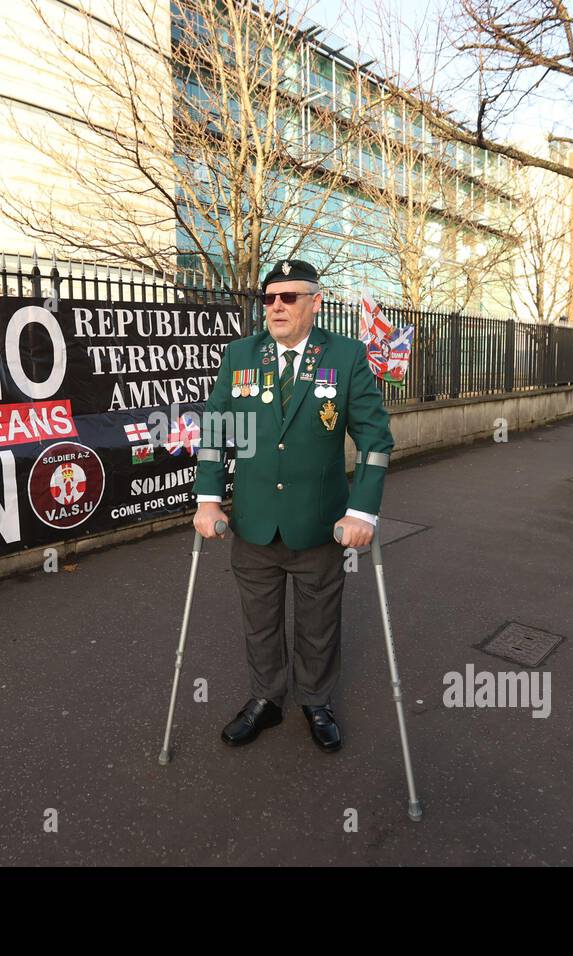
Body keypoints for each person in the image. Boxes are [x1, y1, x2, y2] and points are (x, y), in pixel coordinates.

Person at [192, 259, 394, 753]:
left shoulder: (345, 356)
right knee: (259, 622)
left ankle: (316, 700)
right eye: (269, 298)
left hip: (321, 525)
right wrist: (208, 500)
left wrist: (362, 512)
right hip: (254, 523)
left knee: (319, 623)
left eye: (289, 297)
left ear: (315, 302)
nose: (276, 307)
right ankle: (266, 699)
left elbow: (374, 440)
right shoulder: (240, 355)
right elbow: (217, 433)